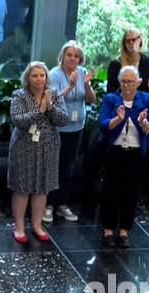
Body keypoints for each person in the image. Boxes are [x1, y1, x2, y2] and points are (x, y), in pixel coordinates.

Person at [8, 61, 68, 244]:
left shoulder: (55, 95)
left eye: (42, 75)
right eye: (35, 75)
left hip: (47, 147)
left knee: (42, 187)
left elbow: (63, 119)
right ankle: (19, 227)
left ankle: (36, 225)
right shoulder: (19, 95)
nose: (39, 79)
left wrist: (49, 107)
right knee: (22, 188)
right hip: (23, 147)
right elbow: (17, 120)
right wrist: (39, 111)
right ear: (28, 77)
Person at [99, 65, 149, 247]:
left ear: (138, 82)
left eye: (130, 81)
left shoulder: (147, 99)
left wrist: (144, 123)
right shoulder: (111, 99)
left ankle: (124, 231)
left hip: (136, 152)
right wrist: (117, 119)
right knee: (111, 191)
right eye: (123, 81)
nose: (126, 85)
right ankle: (108, 230)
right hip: (115, 152)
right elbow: (103, 123)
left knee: (131, 192)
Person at [47, 40, 95, 223]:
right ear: (63, 56)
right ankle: (48, 204)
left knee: (68, 167)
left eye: (76, 56)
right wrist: (71, 86)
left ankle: (62, 204)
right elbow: (53, 101)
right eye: (69, 55)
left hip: (76, 128)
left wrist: (87, 85)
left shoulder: (82, 73)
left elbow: (91, 100)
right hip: (58, 128)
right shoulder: (54, 74)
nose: (72, 58)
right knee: (54, 166)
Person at [106, 28, 149, 96]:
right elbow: (110, 92)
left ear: (140, 41)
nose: (131, 43)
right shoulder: (115, 64)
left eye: (134, 40)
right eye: (128, 41)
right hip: (120, 104)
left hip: (142, 104)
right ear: (124, 43)